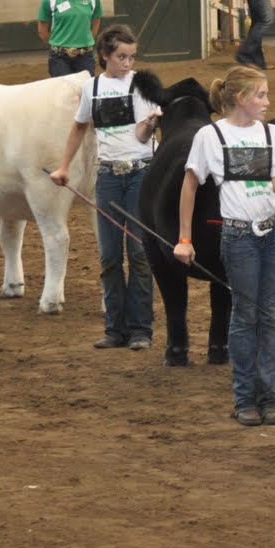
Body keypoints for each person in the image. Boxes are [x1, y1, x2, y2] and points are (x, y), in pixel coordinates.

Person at [173, 66, 275, 426]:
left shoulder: (273, 134)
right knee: (245, 316)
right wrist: (184, 238)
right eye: (261, 95)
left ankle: (271, 396)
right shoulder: (210, 136)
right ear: (241, 98)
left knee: (270, 315)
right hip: (239, 236)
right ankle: (244, 398)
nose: (267, 102)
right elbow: (190, 184)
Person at [50, 24, 161, 351]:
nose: (127, 63)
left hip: (141, 174)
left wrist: (151, 124)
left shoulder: (142, 85)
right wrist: (64, 167)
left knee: (138, 253)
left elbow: (143, 136)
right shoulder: (92, 88)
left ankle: (140, 329)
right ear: (105, 55)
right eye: (121, 57)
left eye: (131, 57)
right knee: (110, 255)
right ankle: (115, 328)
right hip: (109, 176)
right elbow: (79, 127)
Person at [38, 0, 103, 77]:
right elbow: (42, 30)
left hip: (85, 56)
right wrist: (58, 46)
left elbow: (95, 22)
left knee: (85, 88)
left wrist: (85, 42)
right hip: (59, 58)